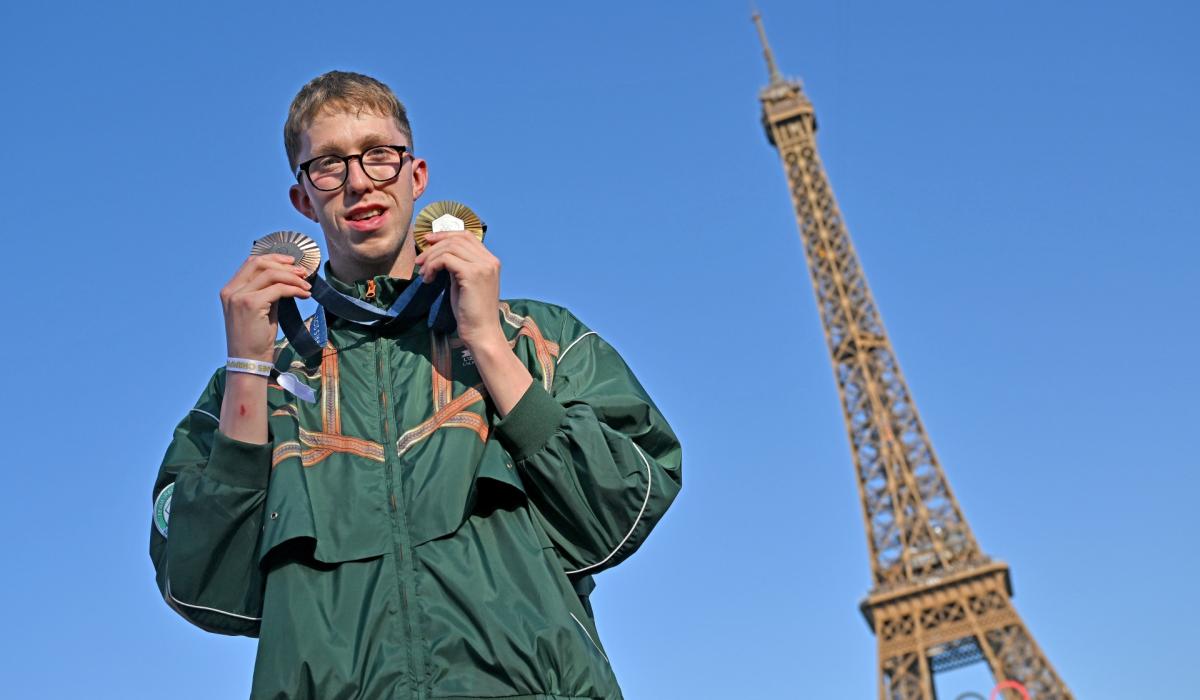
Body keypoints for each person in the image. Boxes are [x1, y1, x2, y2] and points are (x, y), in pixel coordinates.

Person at [148, 70, 682, 700]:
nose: (358, 182)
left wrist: (485, 339)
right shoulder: (263, 377)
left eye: (378, 154)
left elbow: (622, 508)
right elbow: (202, 583)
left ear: (416, 174)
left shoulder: (540, 335)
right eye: (327, 165)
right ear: (302, 200)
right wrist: (245, 370)